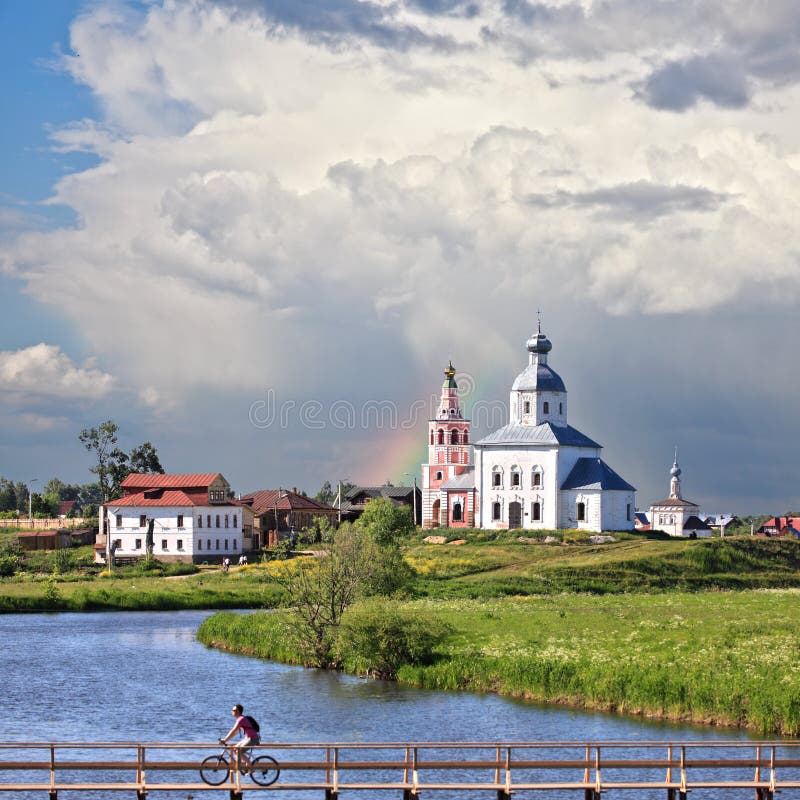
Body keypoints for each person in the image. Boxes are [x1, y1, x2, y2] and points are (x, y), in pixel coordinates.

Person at [220, 704, 260, 773]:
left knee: (239, 751)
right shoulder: (241, 719)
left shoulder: (241, 719)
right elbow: (235, 733)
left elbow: (233, 730)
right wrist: (227, 739)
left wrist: (225, 740)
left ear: (238, 711)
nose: (232, 711)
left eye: (233, 710)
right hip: (247, 738)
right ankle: (239, 767)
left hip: (252, 739)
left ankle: (250, 767)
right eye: (232, 710)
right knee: (235, 748)